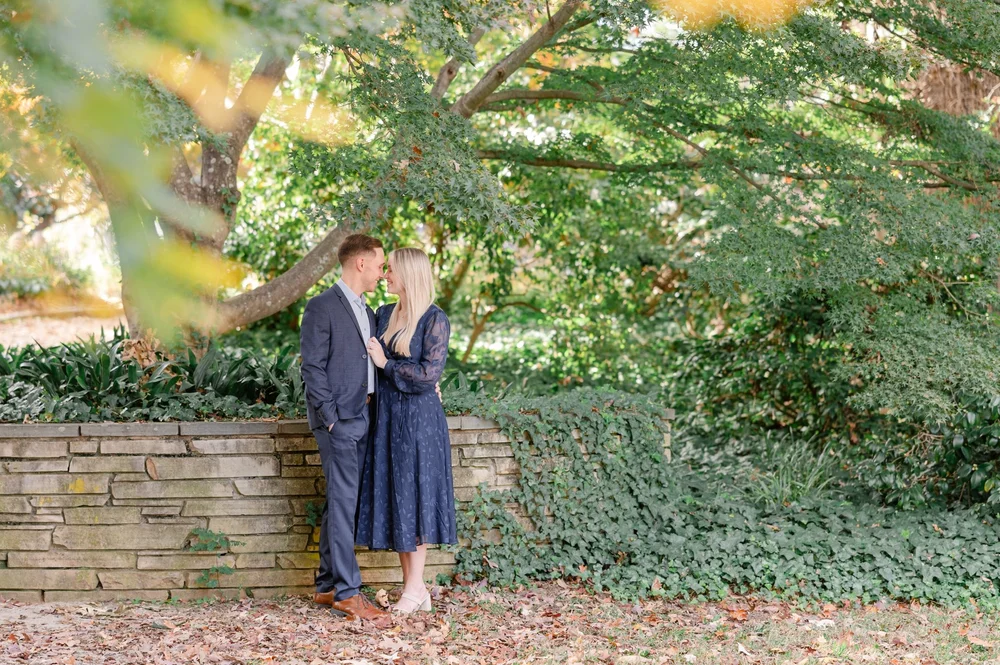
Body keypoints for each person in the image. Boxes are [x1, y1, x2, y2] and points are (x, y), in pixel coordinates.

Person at [357, 247, 457, 614]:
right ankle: (415, 590)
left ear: (410, 274)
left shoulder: (434, 319)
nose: (385, 275)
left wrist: (386, 364)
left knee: (417, 498)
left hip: (419, 423)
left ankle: (414, 589)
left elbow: (429, 376)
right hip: (387, 419)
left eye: (391, 270)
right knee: (399, 499)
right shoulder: (383, 314)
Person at [299, 233, 388, 620]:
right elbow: (312, 367)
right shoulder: (321, 307)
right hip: (339, 422)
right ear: (361, 263)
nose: (383, 274)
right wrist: (332, 418)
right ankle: (349, 594)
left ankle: (326, 586)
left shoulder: (368, 311)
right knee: (343, 502)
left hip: (363, 415)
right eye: (381, 265)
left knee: (341, 501)